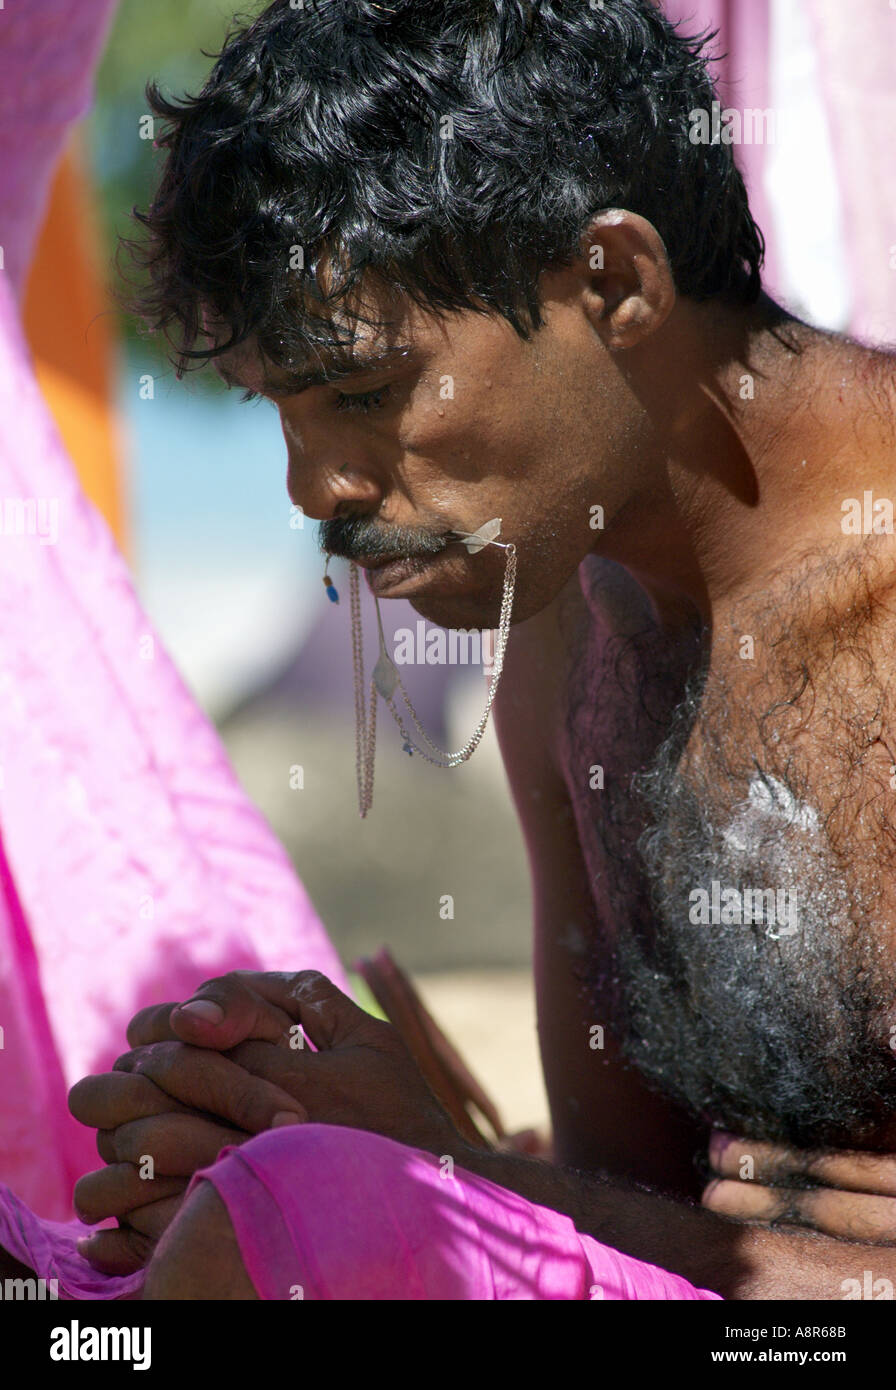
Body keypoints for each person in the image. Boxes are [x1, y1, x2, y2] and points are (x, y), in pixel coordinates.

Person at [5, 0, 896, 1299]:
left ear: (618, 284)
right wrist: (319, 1127)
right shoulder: (570, 619)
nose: (314, 490)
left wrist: (427, 1177)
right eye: (282, 413)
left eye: (365, 393)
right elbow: (628, 1209)